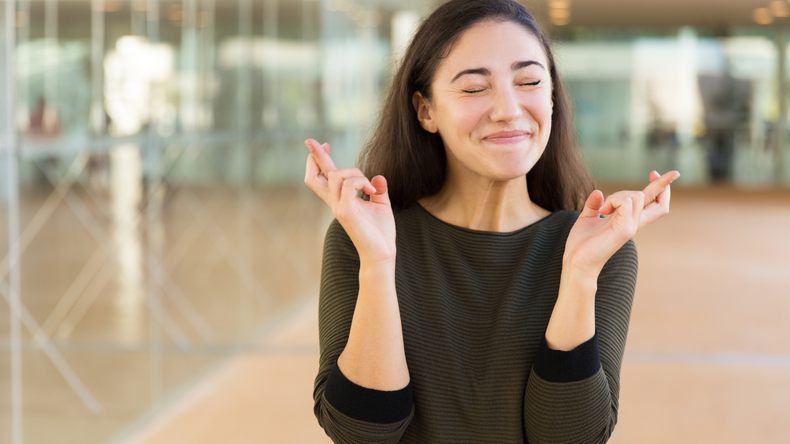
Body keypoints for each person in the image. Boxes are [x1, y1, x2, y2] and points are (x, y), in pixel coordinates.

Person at [304, 0, 679, 442]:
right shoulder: (363, 239)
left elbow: (569, 437)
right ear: (426, 111)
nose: (507, 109)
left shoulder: (598, 247)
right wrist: (380, 262)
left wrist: (579, 275)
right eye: (474, 88)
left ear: (553, 97)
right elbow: (360, 433)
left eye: (530, 81)